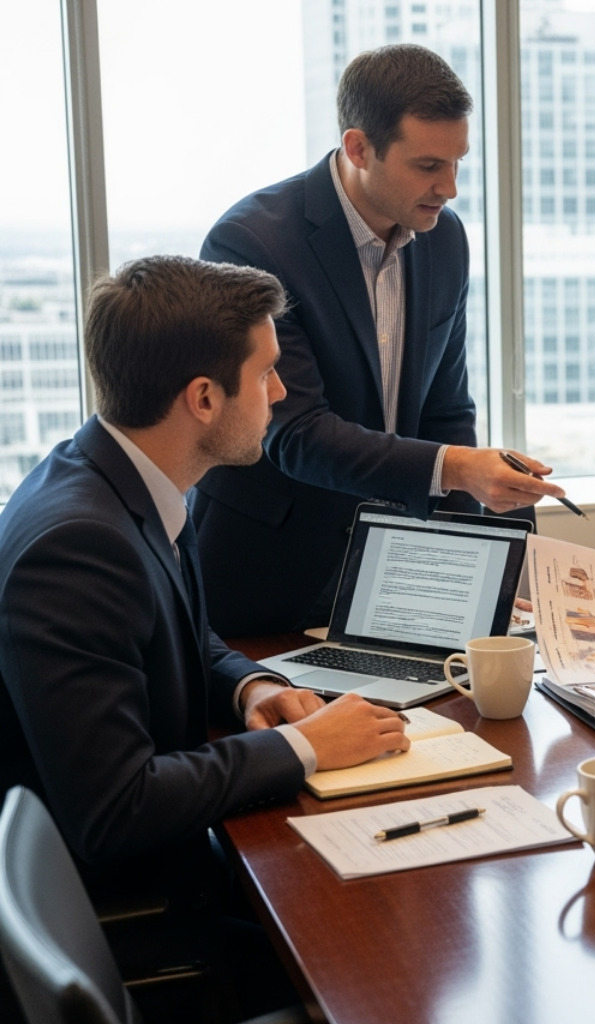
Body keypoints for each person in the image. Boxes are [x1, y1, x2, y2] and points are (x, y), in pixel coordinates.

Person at [0, 256, 409, 1008]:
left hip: (171, 869)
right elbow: (114, 809)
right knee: (387, 968)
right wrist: (305, 747)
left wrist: (252, 686)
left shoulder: (121, 478)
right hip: (146, 908)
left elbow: (185, 639)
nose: (281, 394)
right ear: (203, 397)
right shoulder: (77, 547)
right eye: (267, 375)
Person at [194, 43, 560, 636]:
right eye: (427, 166)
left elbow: (446, 410)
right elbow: (296, 433)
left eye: (457, 163)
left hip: (397, 576)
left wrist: (474, 564)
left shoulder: (445, 240)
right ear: (358, 148)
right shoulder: (253, 244)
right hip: (271, 569)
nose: (450, 187)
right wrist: (460, 469)